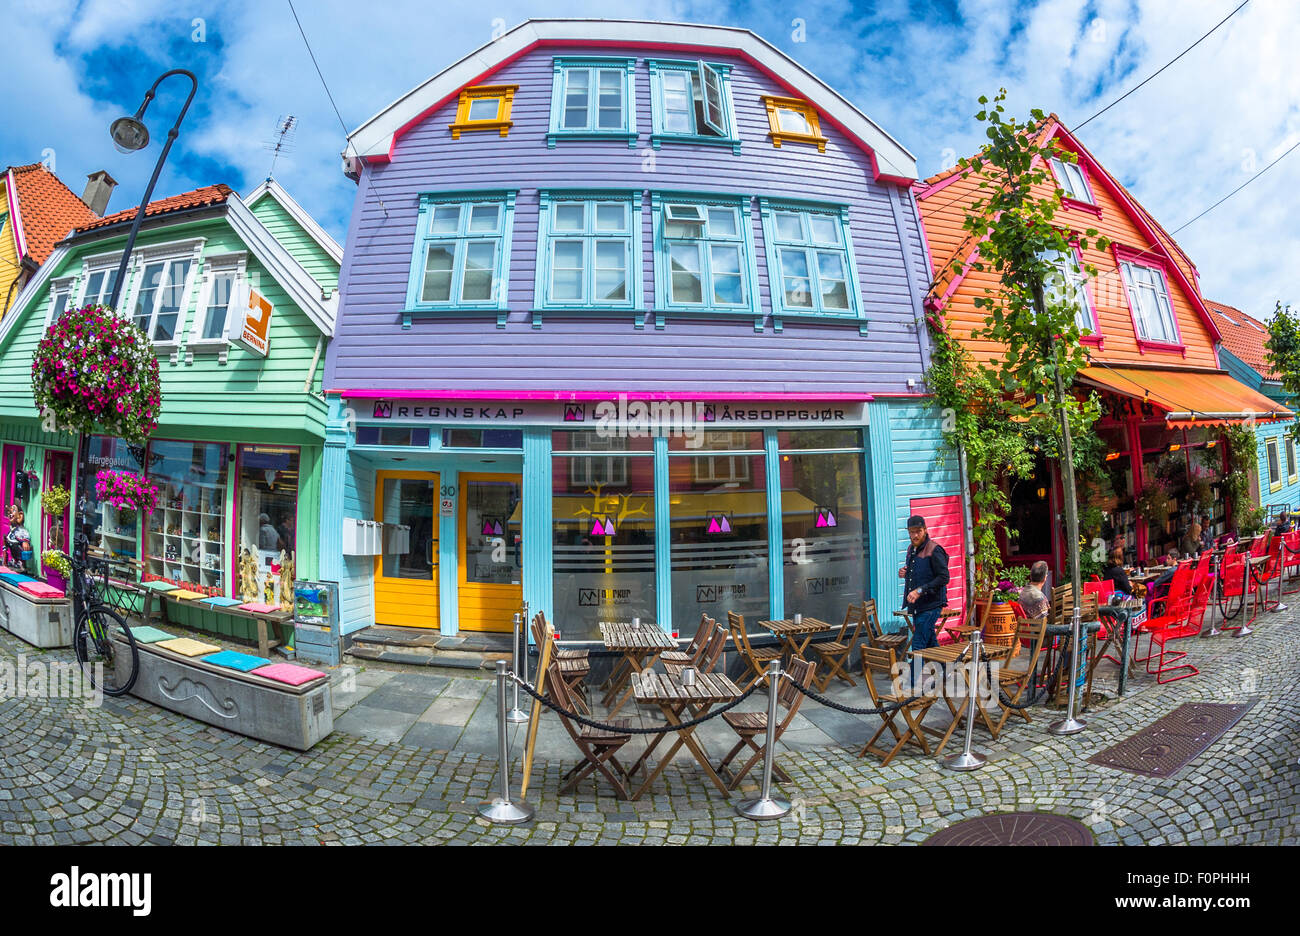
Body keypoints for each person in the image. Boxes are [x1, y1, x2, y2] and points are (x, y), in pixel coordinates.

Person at [898, 515, 949, 677]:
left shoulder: (934, 549)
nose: (915, 535)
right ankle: (947, 670)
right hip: (917, 606)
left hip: (932, 604)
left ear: (925, 530)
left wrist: (920, 590)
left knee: (918, 643)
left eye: (918, 531)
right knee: (930, 641)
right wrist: (904, 573)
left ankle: (912, 684)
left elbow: (943, 577)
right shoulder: (910, 549)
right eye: (911, 532)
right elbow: (917, 572)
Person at [4, 505, 32, 572]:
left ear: (20, 515)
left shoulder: (20, 529)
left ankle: (20, 562)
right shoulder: (11, 529)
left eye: (13, 511)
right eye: (8, 513)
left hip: (19, 550)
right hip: (12, 551)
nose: (10, 514)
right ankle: (14, 561)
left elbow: (24, 535)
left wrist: (25, 541)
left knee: (17, 546)